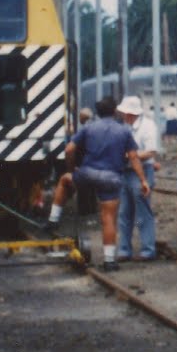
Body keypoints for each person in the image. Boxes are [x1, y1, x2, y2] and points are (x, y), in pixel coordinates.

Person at [45, 96, 149, 272]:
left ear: (98, 112)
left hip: (87, 174)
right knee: (108, 219)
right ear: (115, 111)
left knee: (64, 181)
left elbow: (69, 149)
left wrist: (72, 169)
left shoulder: (88, 127)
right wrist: (143, 180)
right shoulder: (124, 131)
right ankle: (109, 261)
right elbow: (133, 157)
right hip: (111, 178)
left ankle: (53, 220)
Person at [116, 96, 160, 262]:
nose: (123, 115)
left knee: (143, 212)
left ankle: (148, 250)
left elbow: (151, 151)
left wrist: (129, 156)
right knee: (124, 212)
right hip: (125, 171)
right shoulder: (124, 126)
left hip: (142, 170)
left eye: (126, 112)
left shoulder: (148, 126)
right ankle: (124, 249)